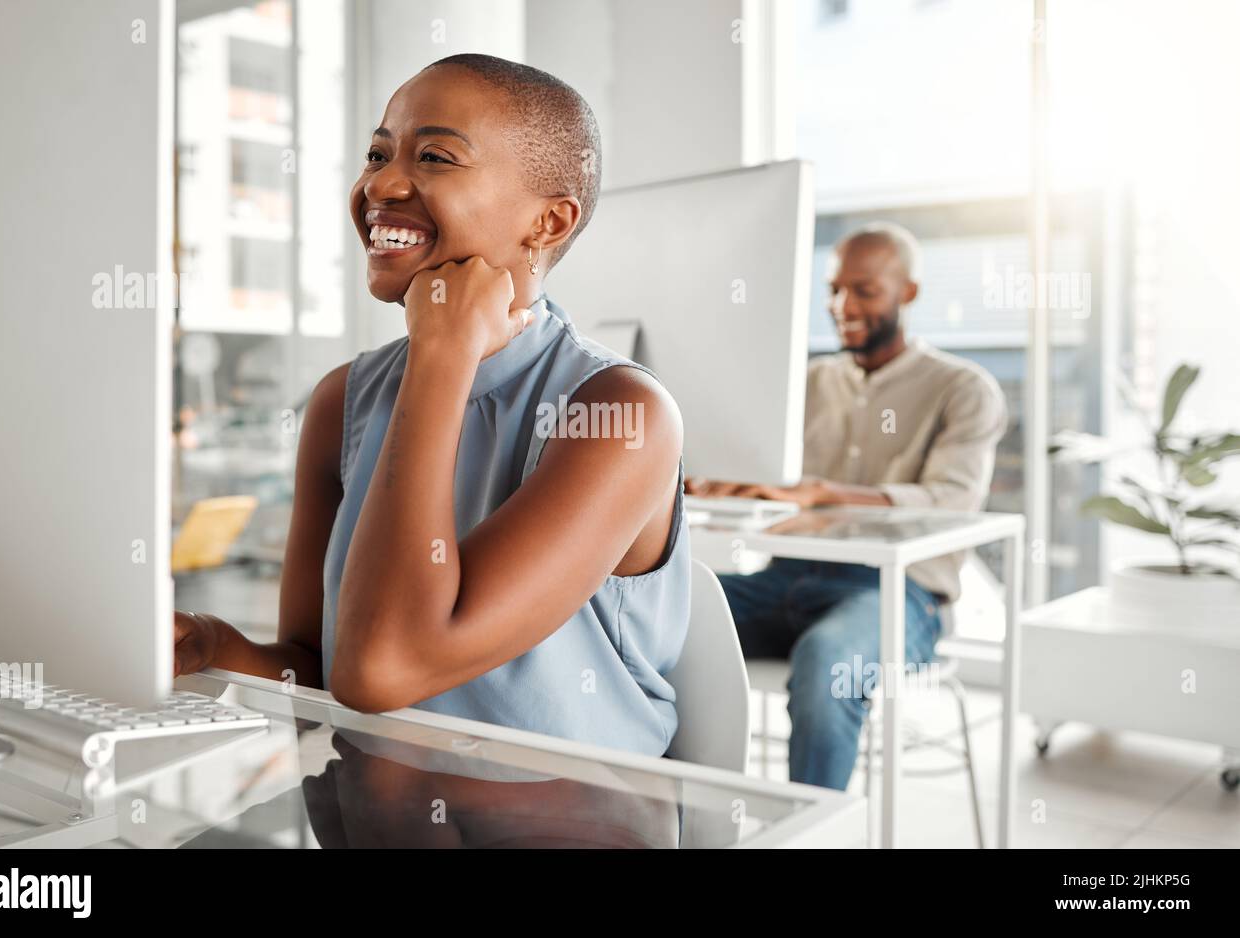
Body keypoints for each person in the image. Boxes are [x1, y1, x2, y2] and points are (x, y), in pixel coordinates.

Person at [171, 54, 689, 758]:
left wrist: (442, 355)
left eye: (436, 157)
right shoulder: (341, 402)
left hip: (569, 821)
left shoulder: (621, 414)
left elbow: (383, 671)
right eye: (377, 152)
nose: (379, 184)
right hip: (384, 817)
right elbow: (328, 673)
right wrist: (215, 644)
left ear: (549, 221)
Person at [687, 222, 1007, 789]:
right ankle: (677, 819)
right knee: (659, 612)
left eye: (864, 290)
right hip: (783, 577)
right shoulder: (806, 383)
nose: (842, 305)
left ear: (908, 293)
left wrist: (824, 492)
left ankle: (804, 831)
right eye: (834, 289)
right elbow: (766, 477)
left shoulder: (964, 389)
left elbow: (951, 502)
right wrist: (726, 481)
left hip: (895, 595)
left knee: (829, 663)